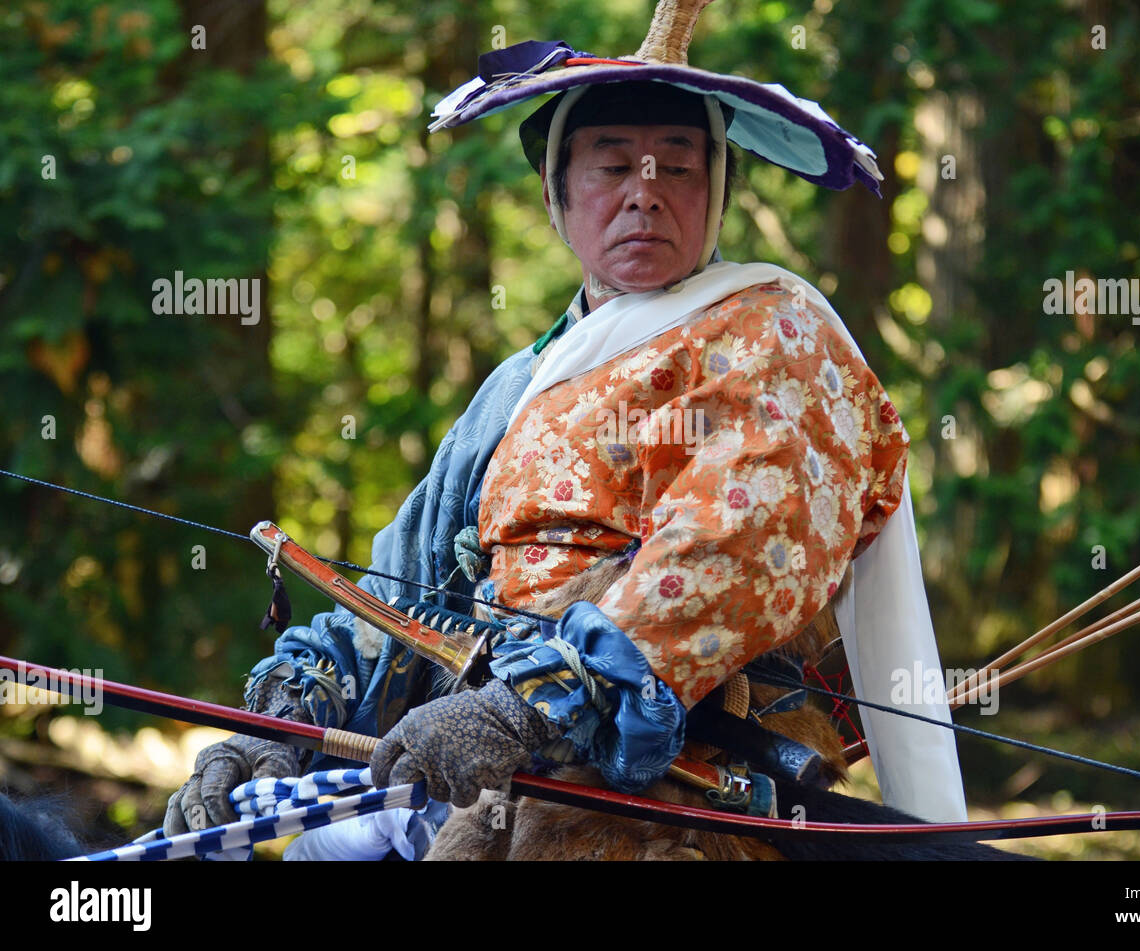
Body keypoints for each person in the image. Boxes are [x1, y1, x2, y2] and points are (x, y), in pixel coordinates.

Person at [165, 2, 968, 858]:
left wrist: (527, 702)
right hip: (484, 773)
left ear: (718, 189)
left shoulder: (777, 330)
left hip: (693, 792)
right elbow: (395, 597)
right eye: (612, 165)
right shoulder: (517, 386)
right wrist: (278, 725)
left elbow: (734, 545)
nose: (645, 193)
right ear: (556, 195)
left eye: (678, 168)